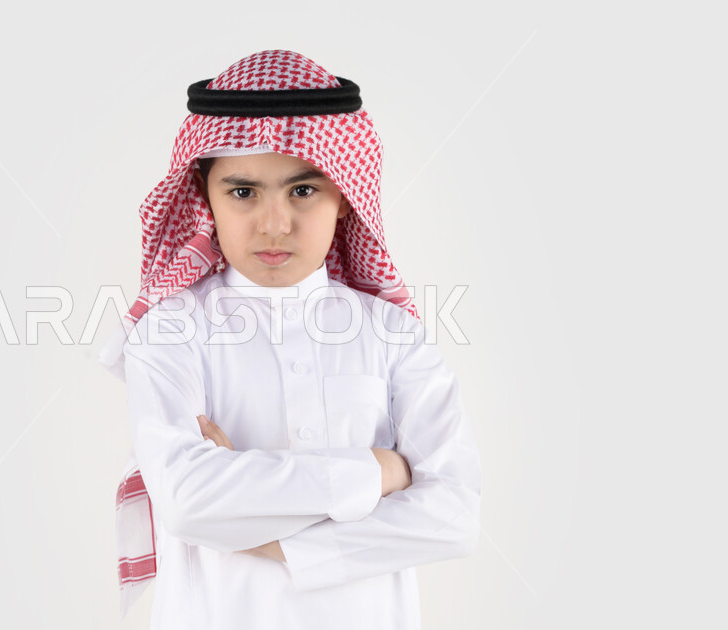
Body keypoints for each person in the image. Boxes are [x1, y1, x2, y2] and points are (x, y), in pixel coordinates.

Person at [98, 49, 482, 629]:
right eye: (243, 192)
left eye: (302, 191)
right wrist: (381, 472)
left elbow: (454, 516)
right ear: (205, 197)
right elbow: (187, 501)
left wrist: (264, 534)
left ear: (344, 197)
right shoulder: (168, 333)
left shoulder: (393, 335)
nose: (274, 223)